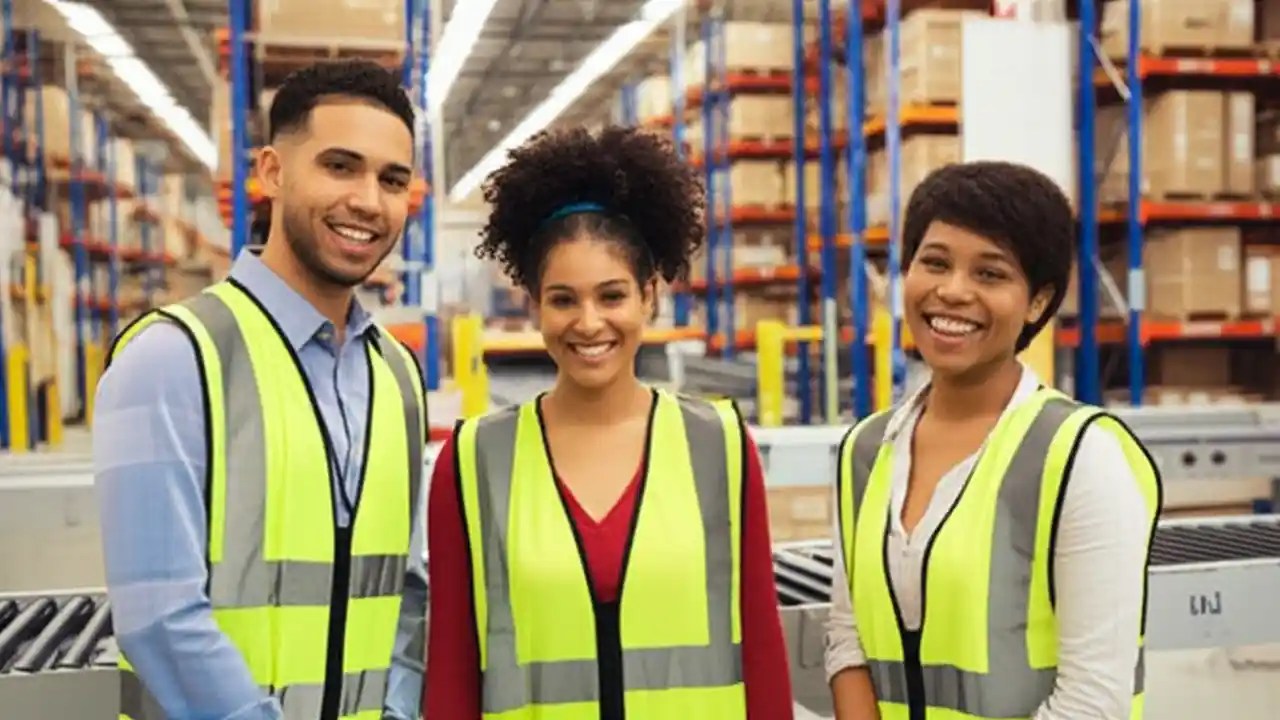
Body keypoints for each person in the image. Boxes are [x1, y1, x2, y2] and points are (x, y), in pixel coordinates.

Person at [93, 60, 429, 720]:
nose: (369, 200)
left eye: (392, 180)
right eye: (340, 166)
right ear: (272, 172)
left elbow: (404, 594)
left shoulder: (397, 376)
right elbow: (159, 618)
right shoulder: (171, 358)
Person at [423, 125, 795, 719]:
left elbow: (763, 658)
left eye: (612, 296)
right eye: (563, 299)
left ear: (650, 296)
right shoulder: (473, 465)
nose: (589, 322)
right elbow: (451, 675)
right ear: (534, 305)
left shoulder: (718, 448)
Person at [824, 161, 1162, 720]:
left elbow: (1093, 701)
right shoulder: (864, 452)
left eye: (990, 273)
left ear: (1038, 301)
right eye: (935, 263)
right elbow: (847, 639)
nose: (953, 291)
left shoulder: (1078, 458)